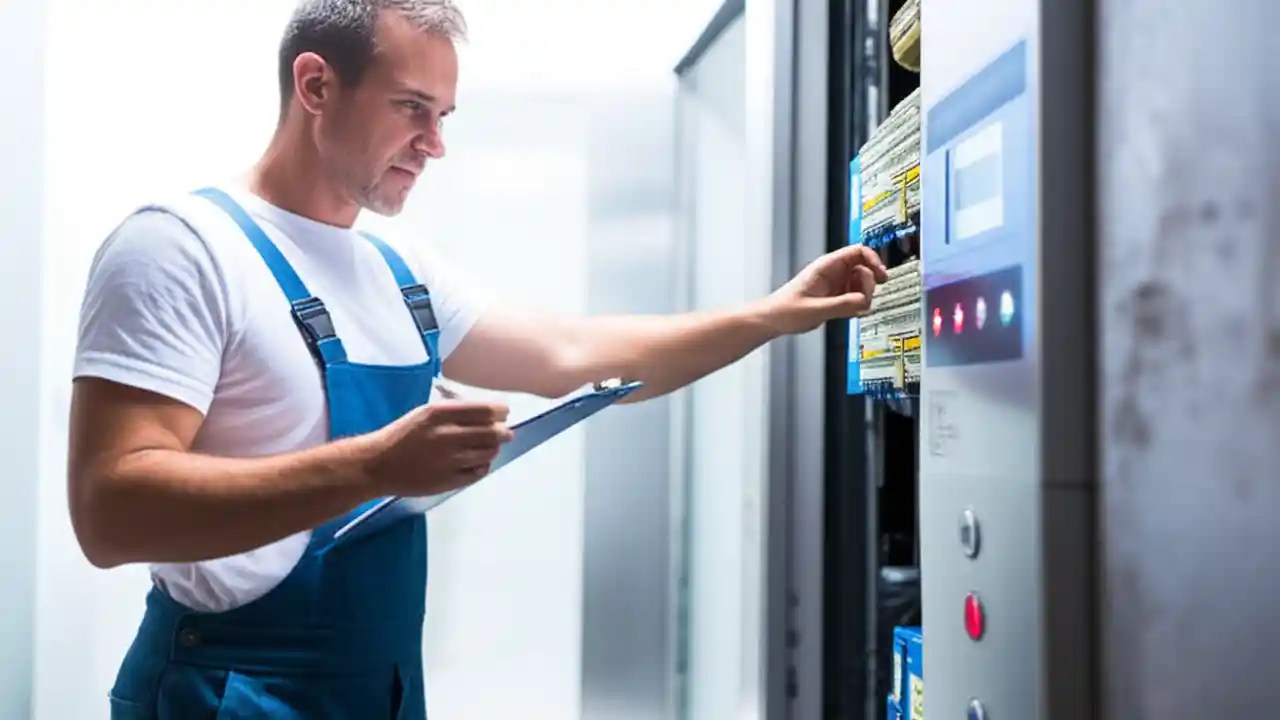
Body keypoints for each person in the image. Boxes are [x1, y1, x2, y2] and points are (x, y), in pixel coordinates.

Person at [68, 0, 888, 717]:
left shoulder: (398, 272)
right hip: (229, 691)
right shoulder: (180, 248)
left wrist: (776, 313)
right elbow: (111, 511)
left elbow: (576, 353)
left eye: (444, 116)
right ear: (315, 85)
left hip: (377, 686)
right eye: (411, 108)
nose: (434, 145)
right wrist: (376, 464)